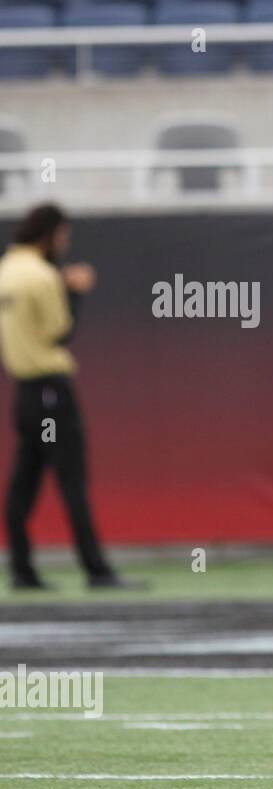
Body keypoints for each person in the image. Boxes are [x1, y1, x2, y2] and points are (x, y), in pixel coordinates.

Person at [0, 203, 134, 590]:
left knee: (23, 482)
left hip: (25, 395)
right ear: (51, 234)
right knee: (71, 480)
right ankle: (97, 570)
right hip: (51, 393)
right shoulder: (43, 277)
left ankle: (22, 570)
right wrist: (73, 291)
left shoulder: (6, 270)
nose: (64, 244)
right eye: (63, 236)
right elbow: (60, 332)